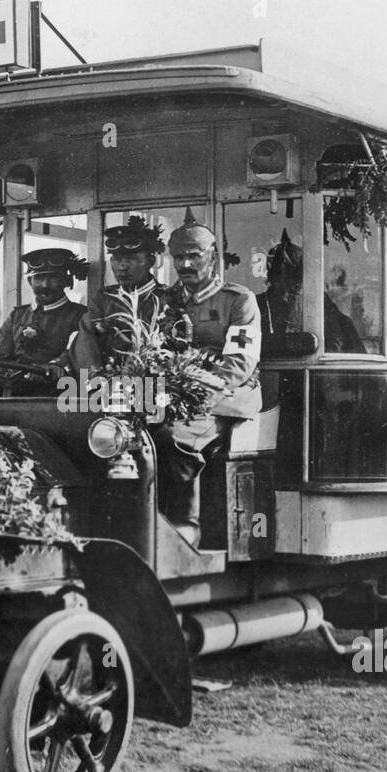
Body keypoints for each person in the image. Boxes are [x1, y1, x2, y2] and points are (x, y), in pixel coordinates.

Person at [155, 217, 261, 545]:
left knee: (175, 436)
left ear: (212, 256)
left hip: (228, 396)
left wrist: (193, 391)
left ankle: (185, 529)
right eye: (178, 257)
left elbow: (240, 363)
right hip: (171, 393)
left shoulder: (238, 300)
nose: (186, 264)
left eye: (194, 255)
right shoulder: (163, 301)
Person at [72, 216, 169, 370]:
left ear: (151, 261)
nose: (122, 267)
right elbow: (87, 338)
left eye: (130, 259)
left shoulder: (167, 297)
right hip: (106, 382)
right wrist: (95, 379)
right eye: (116, 259)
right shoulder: (104, 299)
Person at [0, 248, 88, 395]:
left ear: (66, 281)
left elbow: (73, 356)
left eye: (53, 278)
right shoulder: (17, 316)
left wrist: (55, 367)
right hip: (13, 396)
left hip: (57, 399)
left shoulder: (80, 315)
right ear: (30, 281)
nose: (45, 285)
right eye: (39, 279)